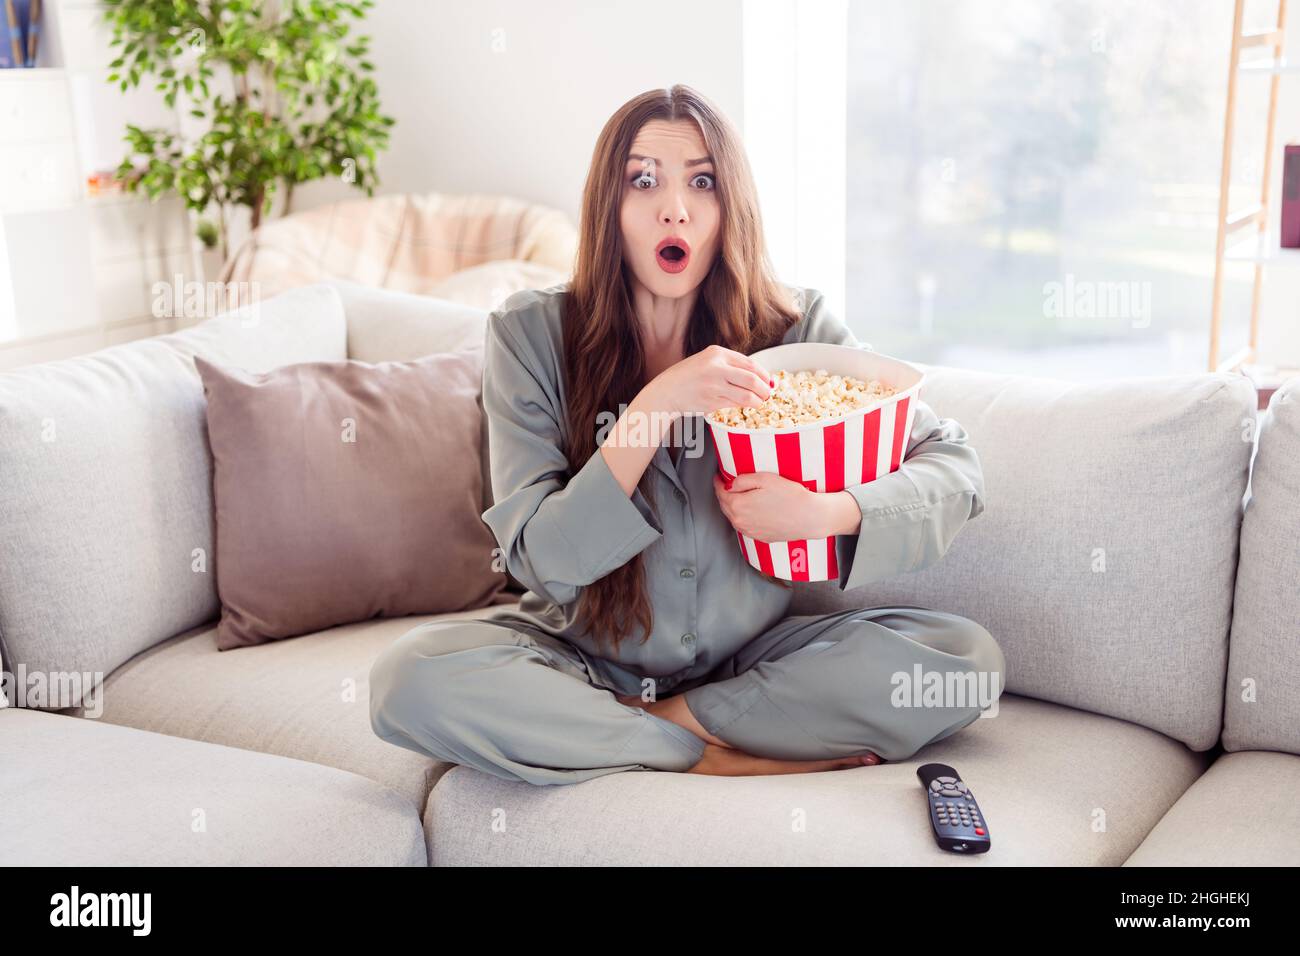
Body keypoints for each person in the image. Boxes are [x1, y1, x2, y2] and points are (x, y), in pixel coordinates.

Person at [369, 84, 1004, 786]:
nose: (675, 206)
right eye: (644, 180)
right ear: (609, 206)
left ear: (730, 206)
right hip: (576, 654)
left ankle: (658, 727)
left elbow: (955, 467)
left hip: (752, 662)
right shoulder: (529, 335)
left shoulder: (795, 331)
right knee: (409, 679)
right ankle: (705, 755)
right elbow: (538, 558)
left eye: (702, 181)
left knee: (964, 663)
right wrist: (658, 403)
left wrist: (827, 513)